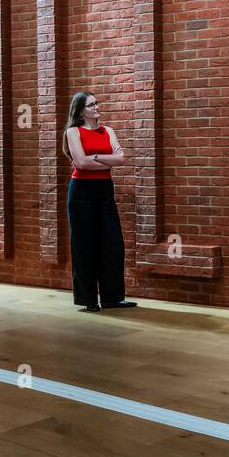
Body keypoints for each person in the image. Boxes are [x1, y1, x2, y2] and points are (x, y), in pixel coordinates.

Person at [63, 91, 136, 312]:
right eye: (91, 105)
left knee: (113, 244)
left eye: (97, 103)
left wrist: (95, 157)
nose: (96, 107)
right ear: (80, 111)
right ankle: (89, 300)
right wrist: (106, 161)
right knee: (84, 245)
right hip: (81, 192)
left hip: (104, 190)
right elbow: (81, 164)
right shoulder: (73, 132)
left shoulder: (108, 131)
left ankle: (113, 297)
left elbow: (121, 158)